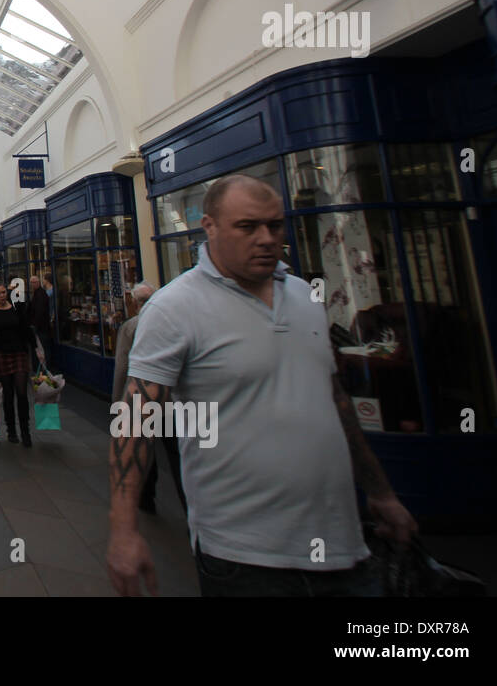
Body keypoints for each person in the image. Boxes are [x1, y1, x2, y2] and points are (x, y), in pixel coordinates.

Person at [107, 175, 417, 597]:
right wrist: (124, 529)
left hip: (345, 544)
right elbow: (136, 421)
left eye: (275, 225)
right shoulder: (175, 307)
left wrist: (380, 491)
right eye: (248, 227)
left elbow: (336, 403)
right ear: (209, 226)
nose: (267, 238)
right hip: (244, 556)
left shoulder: (305, 297)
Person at [110, 281, 184, 515]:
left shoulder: (131, 327)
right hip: (174, 400)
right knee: (178, 454)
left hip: (143, 399)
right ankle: (190, 506)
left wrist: (118, 403)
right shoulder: (176, 323)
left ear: (134, 302)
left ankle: (146, 497)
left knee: (143, 447)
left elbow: (122, 367)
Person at [0, 279, 41, 447]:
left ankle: (25, 431)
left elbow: (26, 328)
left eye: (3, 292)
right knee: (8, 394)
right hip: (2, 354)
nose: (2, 296)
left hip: (20, 353)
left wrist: (36, 348)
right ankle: (11, 430)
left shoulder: (17, 307)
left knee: (22, 393)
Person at [27, 275, 53, 371]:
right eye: (31, 283)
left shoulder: (41, 294)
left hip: (41, 328)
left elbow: (40, 312)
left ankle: (44, 369)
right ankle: (42, 369)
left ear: (38, 282)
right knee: (41, 349)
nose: (32, 285)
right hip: (40, 327)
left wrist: (34, 325)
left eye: (34, 282)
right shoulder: (37, 294)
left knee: (43, 348)